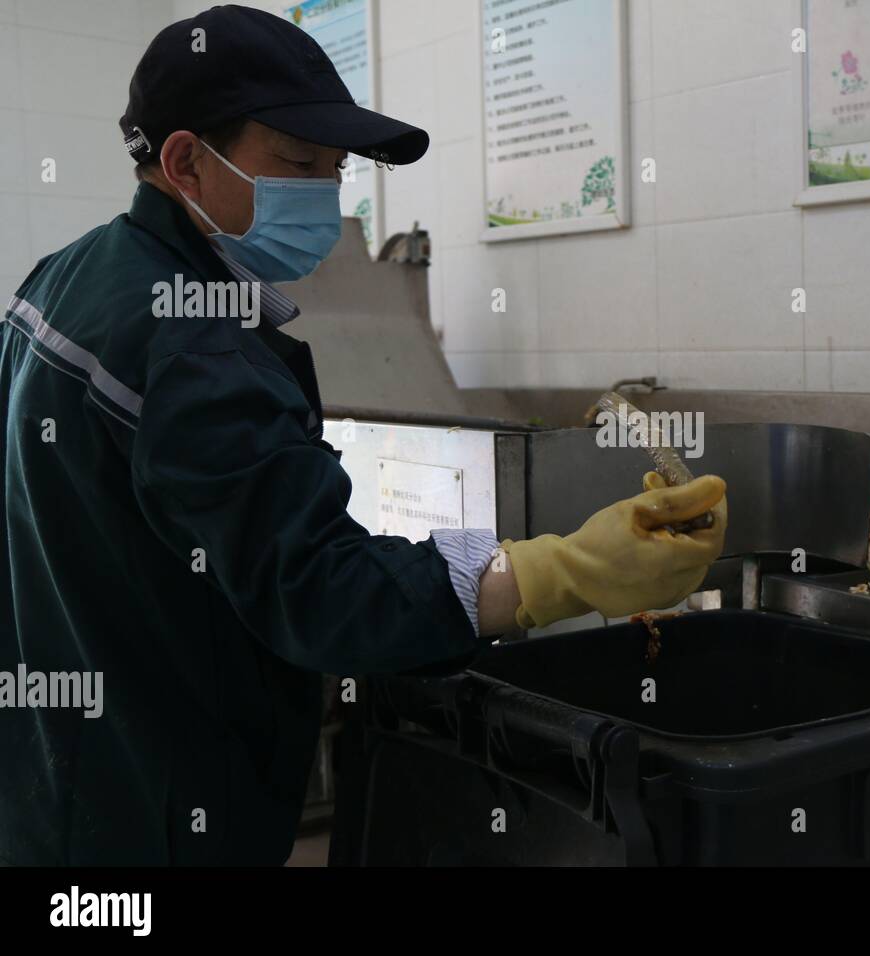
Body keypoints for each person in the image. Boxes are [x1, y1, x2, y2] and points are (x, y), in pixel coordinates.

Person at [0, 5, 726, 865]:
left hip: (56, 781)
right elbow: (325, 594)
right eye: (298, 163)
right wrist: (562, 570)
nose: (323, 197)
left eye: (335, 172)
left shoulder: (72, 271)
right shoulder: (193, 344)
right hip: (158, 809)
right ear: (185, 161)